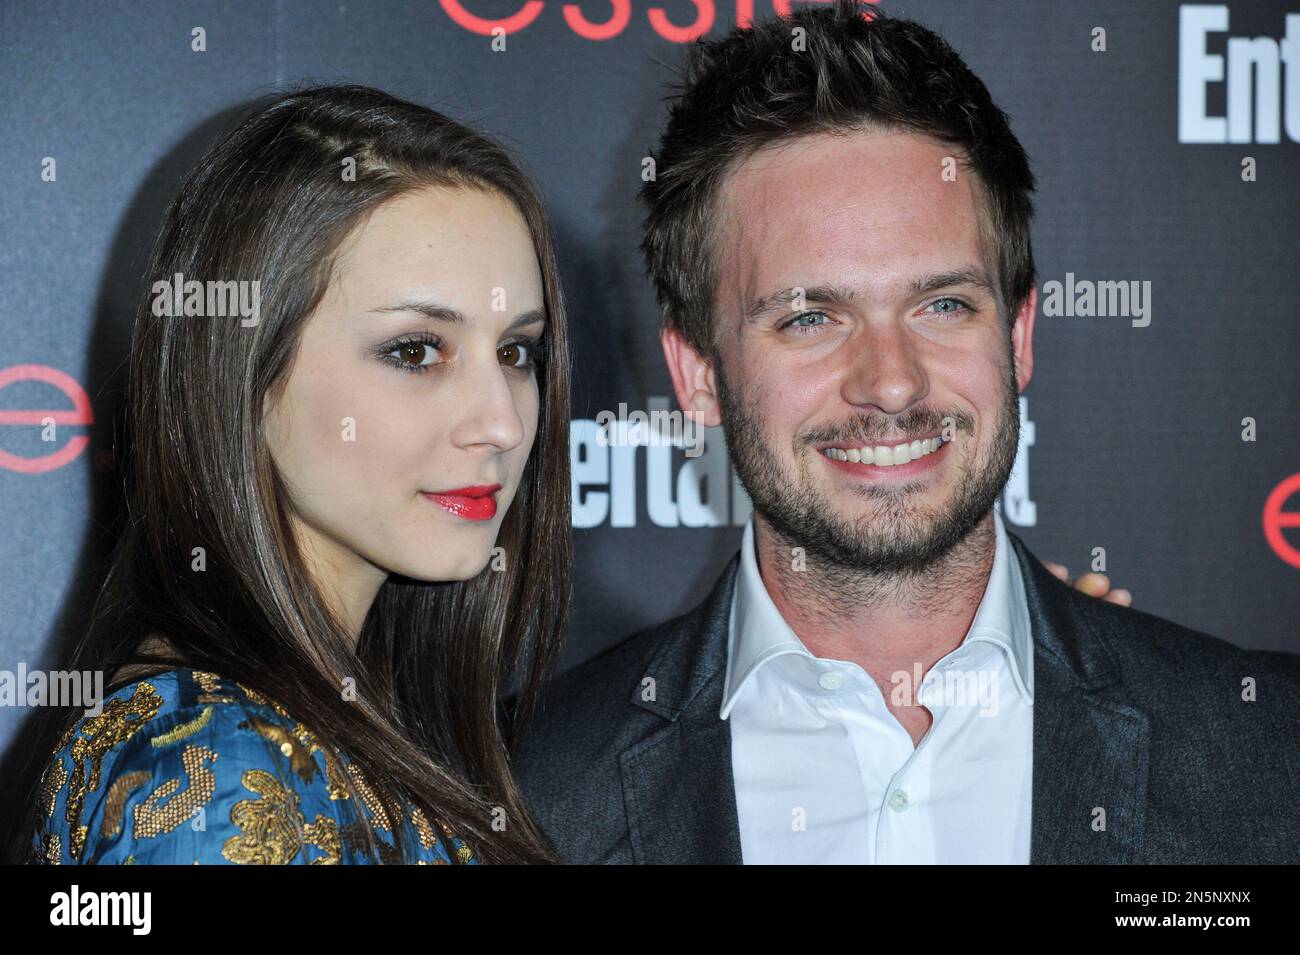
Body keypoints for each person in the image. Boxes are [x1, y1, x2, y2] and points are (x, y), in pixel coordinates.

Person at [509, 1, 1300, 863]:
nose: (891, 381)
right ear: (699, 373)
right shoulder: (530, 795)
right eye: (811, 317)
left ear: (1020, 336)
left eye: (943, 304)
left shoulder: (1267, 756)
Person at [8, 84, 573, 865]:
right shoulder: (212, 773)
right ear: (246, 377)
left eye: (516, 352)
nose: (502, 423)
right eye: (415, 350)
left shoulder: (330, 724)